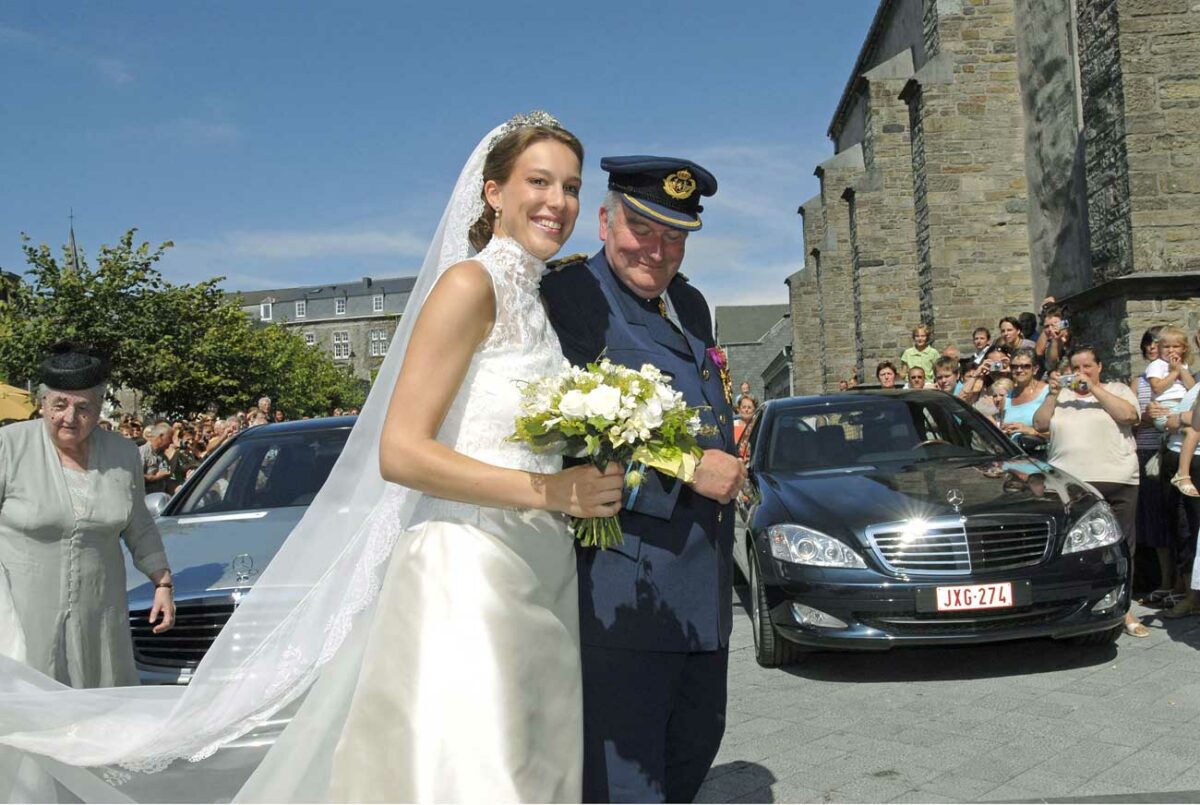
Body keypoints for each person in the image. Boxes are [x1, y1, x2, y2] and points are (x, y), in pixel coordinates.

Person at [0, 114, 618, 803]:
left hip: (541, 565)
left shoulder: (535, 303)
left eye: (570, 186)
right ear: (493, 191)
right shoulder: (468, 286)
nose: (557, 202)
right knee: (478, 774)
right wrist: (550, 491)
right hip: (467, 569)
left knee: (538, 769)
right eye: (539, 181)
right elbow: (401, 451)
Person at [541, 155, 743, 802]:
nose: (658, 250)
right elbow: (558, 440)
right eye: (643, 228)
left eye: (676, 236)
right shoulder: (572, 297)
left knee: (690, 759)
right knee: (626, 786)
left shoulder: (689, 303)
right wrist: (686, 473)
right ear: (604, 221)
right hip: (626, 598)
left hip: (704, 599)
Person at [0, 345, 175, 690]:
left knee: (97, 702)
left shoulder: (123, 453)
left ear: (98, 410)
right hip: (22, 611)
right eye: (60, 405)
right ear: (42, 404)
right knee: (31, 705)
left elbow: (138, 524)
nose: (70, 418)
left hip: (100, 609)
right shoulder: (9, 446)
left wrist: (163, 583)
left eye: (83, 408)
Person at [1033, 344, 1146, 637]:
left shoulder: (1117, 389)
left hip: (1117, 479)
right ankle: (1077, 605)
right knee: (1075, 548)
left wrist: (1094, 389)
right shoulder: (1062, 396)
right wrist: (1053, 393)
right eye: (1075, 368)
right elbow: (1040, 423)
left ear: (1099, 367)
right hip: (1071, 484)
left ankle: (1125, 606)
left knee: (1122, 545)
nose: (1081, 373)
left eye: (1087, 367)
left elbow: (1129, 417)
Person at [1131, 327, 1173, 601]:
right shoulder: (1140, 381)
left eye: (1161, 346)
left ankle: (1174, 581)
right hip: (1146, 453)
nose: (1155, 350)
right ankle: (1158, 580)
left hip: (1172, 450)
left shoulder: (1180, 378)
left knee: (1172, 519)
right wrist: (1146, 417)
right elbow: (1131, 419)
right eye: (1151, 345)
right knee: (1151, 519)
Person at [998, 347, 1049, 439]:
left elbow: (1061, 432)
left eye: (1025, 366)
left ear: (1035, 369)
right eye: (1014, 366)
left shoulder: (1048, 393)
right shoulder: (1007, 396)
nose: (1019, 370)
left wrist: (1031, 431)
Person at [139, 421, 173, 494]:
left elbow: (166, 472)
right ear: (161, 436)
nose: (171, 442)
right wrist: (155, 477)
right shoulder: (142, 452)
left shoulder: (163, 456)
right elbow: (136, 476)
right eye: (169, 438)